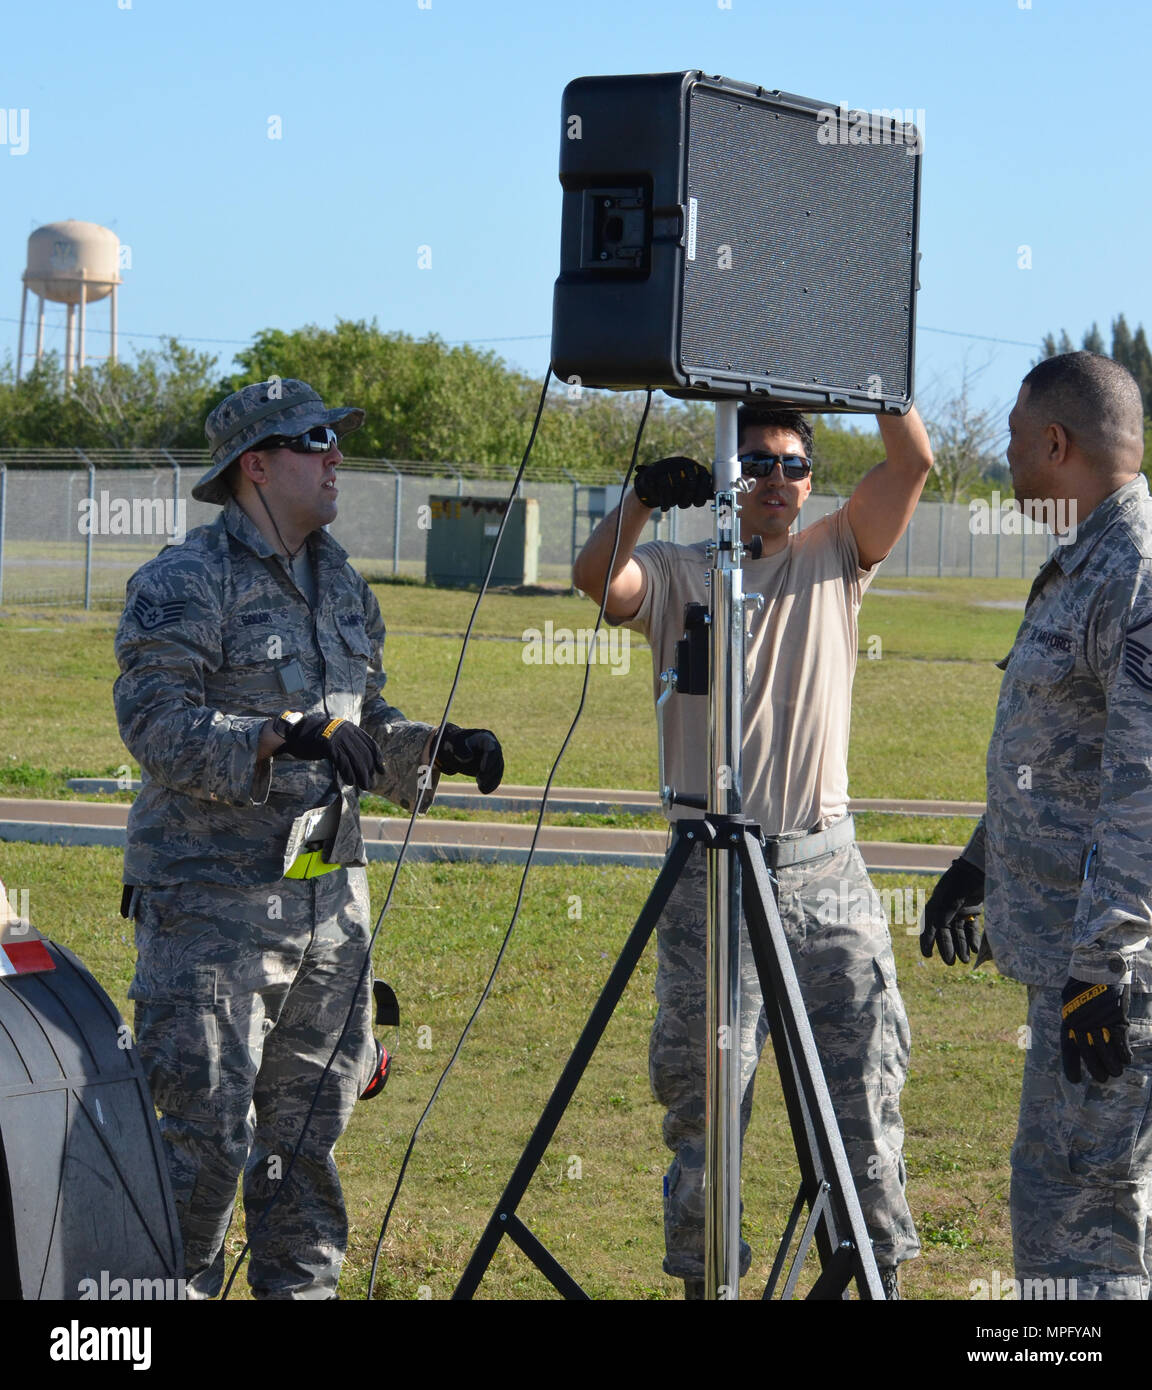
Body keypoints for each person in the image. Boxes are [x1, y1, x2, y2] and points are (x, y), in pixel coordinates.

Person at [114, 378, 503, 1300]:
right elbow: (156, 725)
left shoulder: (345, 586)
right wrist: (275, 734)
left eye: (337, 440)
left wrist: (431, 746)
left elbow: (362, 718)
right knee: (203, 1148)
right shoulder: (185, 581)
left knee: (305, 1147)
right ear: (256, 464)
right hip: (211, 915)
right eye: (316, 439)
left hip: (331, 913)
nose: (338, 457)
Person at [573, 402, 933, 1298]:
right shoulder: (676, 571)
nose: (777, 482)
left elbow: (913, 462)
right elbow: (597, 580)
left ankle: (873, 1279)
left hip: (823, 875)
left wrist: (871, 372)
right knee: (708, 1116)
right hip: (708, 880)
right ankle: (711, 1287)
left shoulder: (836, 555)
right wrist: (642, 501)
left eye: (794, 468)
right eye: (758, 464)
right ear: (727, 479)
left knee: (859, 1107)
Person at [922, 351, 1152, 1300]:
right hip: (1075, 964)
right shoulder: (1088, 556)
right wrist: (981, 859)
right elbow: (1064, 747)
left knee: (1087, 1234)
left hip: (1111, 980)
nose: (1005, 462)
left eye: (1015, 441)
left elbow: (1144, 790)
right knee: (1067, 1208)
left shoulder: (1133, 569)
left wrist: (1102, 968)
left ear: (1055, 443)